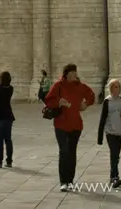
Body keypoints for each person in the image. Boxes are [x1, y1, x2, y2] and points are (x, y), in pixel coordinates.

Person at [44, 63, 95, 192]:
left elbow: (91, 96)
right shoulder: (58, 86)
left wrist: (86, 104)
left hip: (76, 125)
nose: (74, 75)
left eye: (75, 73)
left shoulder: (81, 87)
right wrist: (58, 102)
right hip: (61, 124)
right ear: (66, 74)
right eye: (71, 73)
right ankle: (63, 181)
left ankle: (70, 181)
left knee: (72, 153)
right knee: (64, 151)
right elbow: (48, 100)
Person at [97, 78, 121, 188]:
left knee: (116, 155)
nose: (118, 89)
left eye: (119, 86)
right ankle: (114, 177)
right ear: (111, 88)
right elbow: (102, 118)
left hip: (120, 131)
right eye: (116, 86)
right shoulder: (107, 101)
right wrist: (100, 137)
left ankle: (113, 176)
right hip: (110, 131)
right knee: (114, 153)